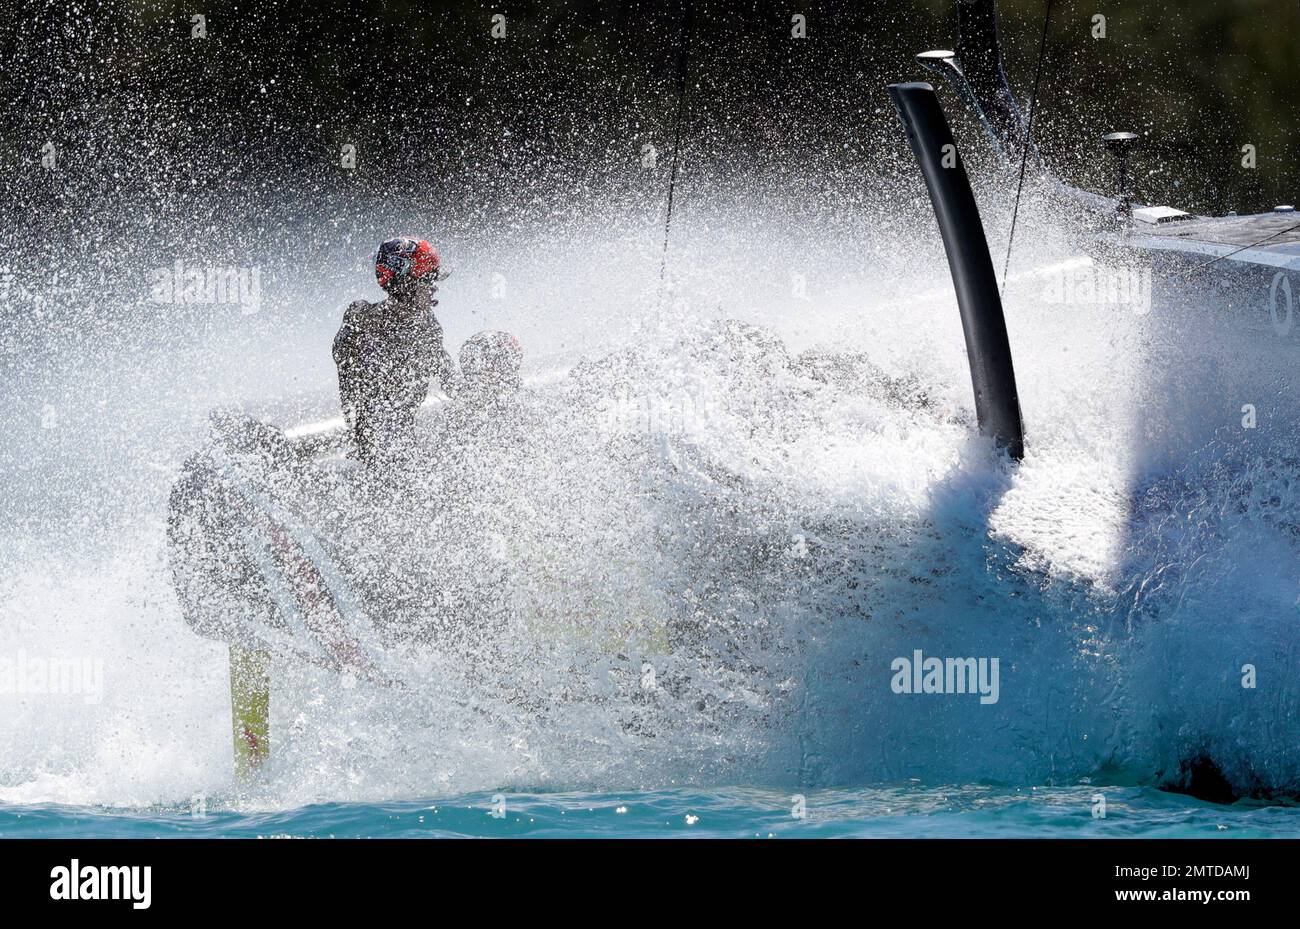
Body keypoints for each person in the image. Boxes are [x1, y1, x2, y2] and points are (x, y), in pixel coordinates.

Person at [333, 237, 454, 464]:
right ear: (403, 282)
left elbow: (449, 376)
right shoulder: (362, 319)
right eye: (426, 280)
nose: (433, 288)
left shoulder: (425, 326)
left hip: (402, 444)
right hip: (379, 452)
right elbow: (354, 388)